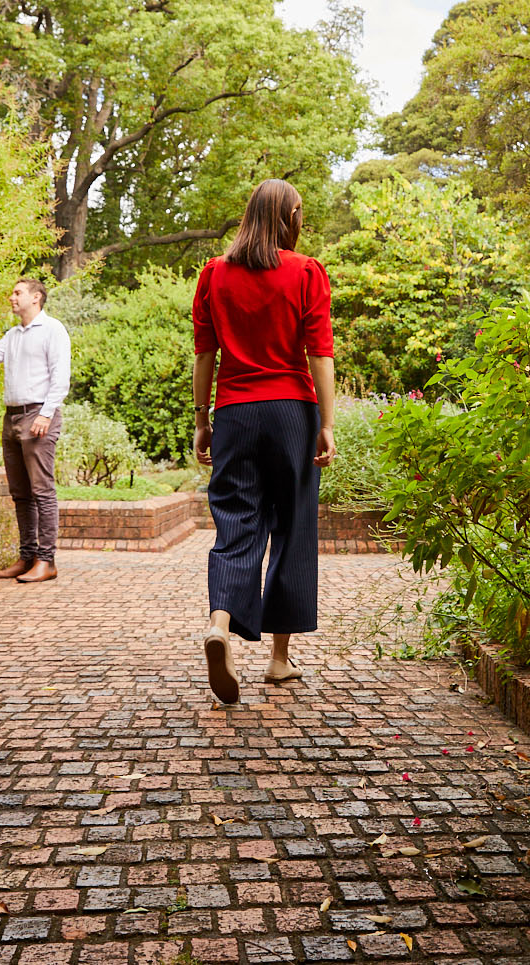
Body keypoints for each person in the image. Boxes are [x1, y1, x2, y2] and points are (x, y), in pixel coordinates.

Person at [191, 179, 337, 704]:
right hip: (290, 411)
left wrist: (201, 418)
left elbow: (204, 352)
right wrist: (326, 422)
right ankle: (278, 660)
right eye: (300, 212)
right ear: (288, 216)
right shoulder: (304, 272)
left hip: (234, 412)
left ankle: (219, 624)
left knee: (235, 523)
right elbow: (320, 352)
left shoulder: (214, 273)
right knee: (293, 529)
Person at [0, 277, 71, 583]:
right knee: (20, 493)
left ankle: (47, 560)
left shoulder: (53, 329)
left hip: (38, 417)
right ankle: (27, 556)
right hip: (12, 418)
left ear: (36, 298)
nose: (11, 297)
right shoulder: (14, 334)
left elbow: (60, 377)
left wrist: (45, 414)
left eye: (17, 293)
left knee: (42, 490)